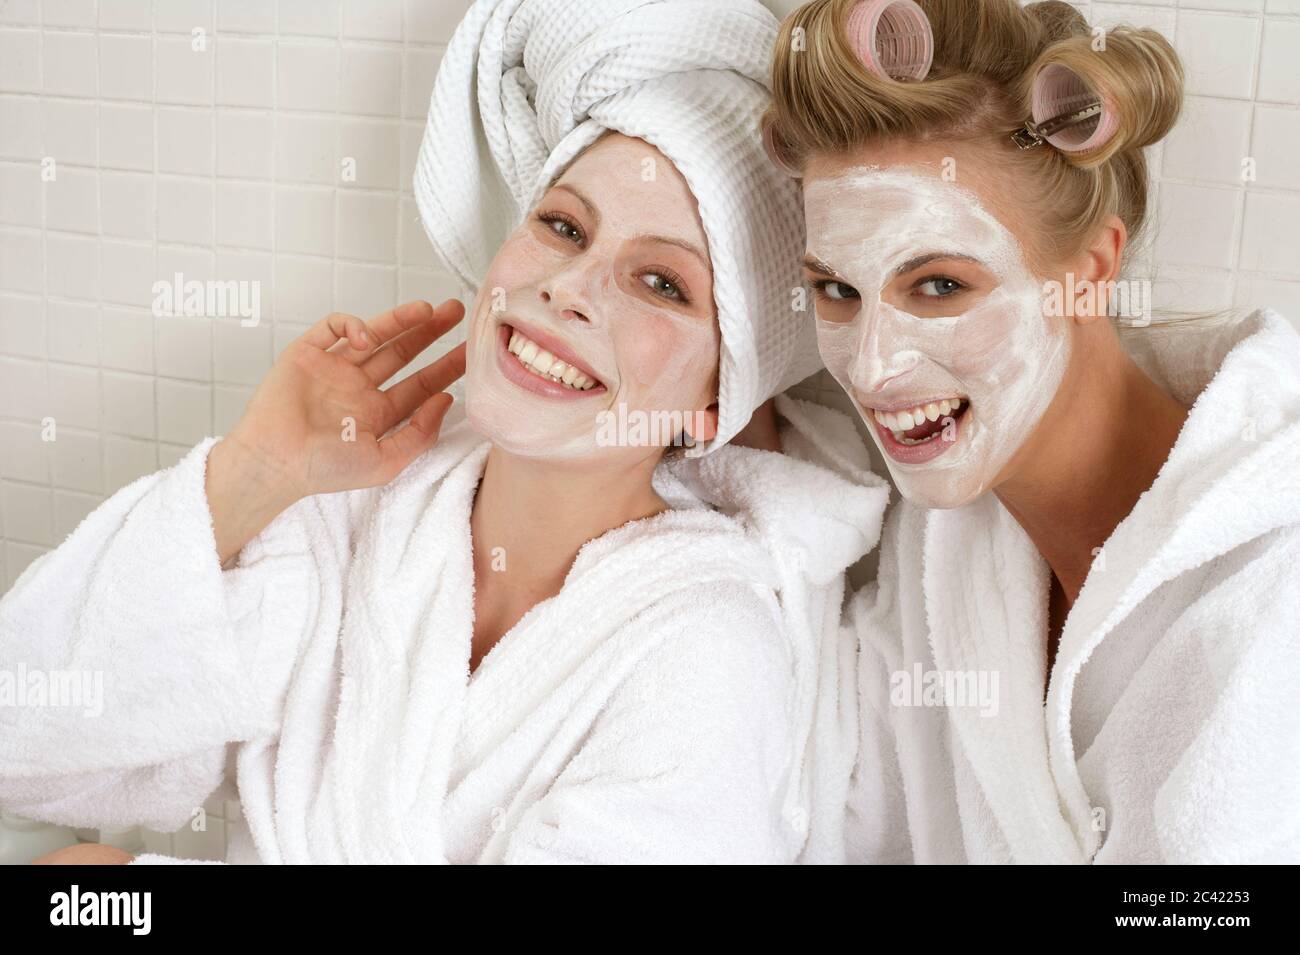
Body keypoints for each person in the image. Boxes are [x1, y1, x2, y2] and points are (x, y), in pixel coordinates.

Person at [0, 0, 884, 864]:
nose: (568, 286)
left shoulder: (708, 652)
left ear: (714, 407)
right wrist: (252, 473)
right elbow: (27, 745)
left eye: (662, 283)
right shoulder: (363, 507)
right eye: (563, 225)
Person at [764, 0, 1300, 862]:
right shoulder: (947, 549)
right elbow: (830, 818)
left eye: (940, 286)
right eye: (836, 290)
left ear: (1091, 269)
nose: (871, 368)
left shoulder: (1273, 585)